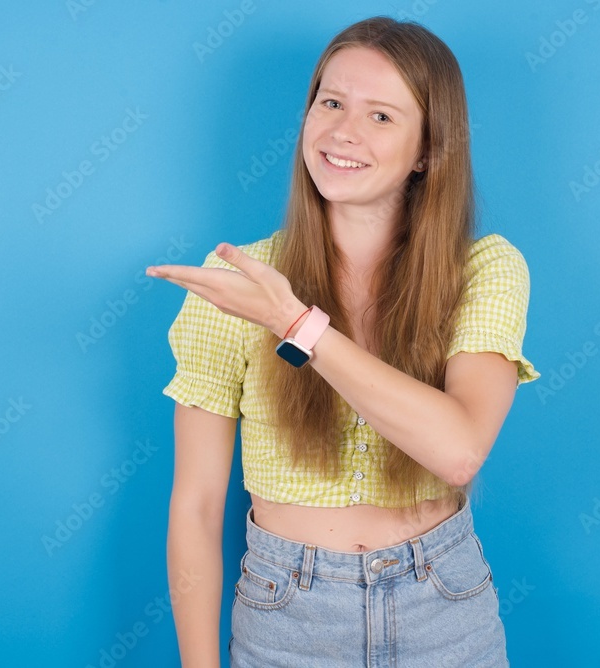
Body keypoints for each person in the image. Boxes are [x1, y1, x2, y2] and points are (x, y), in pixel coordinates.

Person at [146, 15, 539, 667]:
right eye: (331, 103)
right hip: (286, 616)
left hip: (444, 608)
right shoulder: (238, 281)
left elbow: (459, 451)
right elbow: (197, 505)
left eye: (381, 116)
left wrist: (295, 324)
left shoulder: (484, 269)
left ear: (428, 150)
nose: (344, 132)